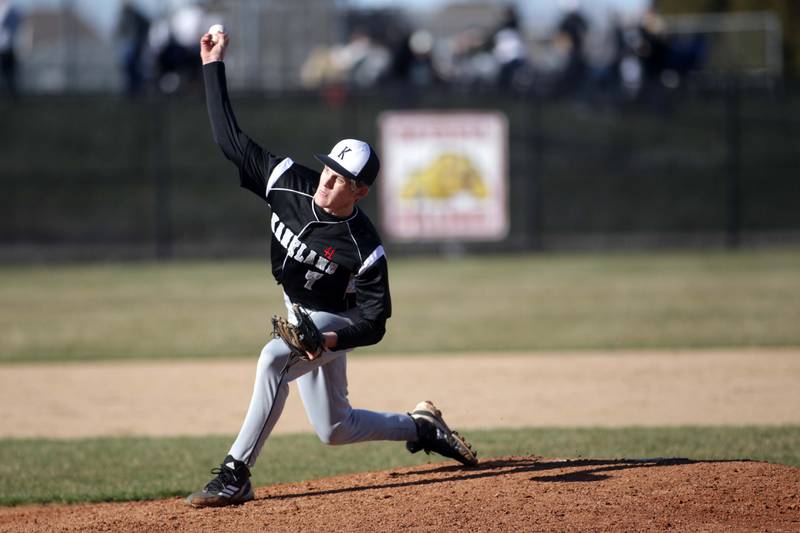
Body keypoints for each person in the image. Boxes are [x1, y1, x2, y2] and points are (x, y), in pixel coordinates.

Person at [187, 29, 478, 508]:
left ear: (360, 191)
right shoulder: (287, 182)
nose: (327, 179)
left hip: (334, 319)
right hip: (298, 308)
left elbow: (375, 321)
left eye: (341, 178)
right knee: (335, 428)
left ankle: (235, 474)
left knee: (273, 361)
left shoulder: (363, 248)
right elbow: (230, 141)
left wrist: (327, 341)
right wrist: (212, 67)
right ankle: (422, 427)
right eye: (327, 167)